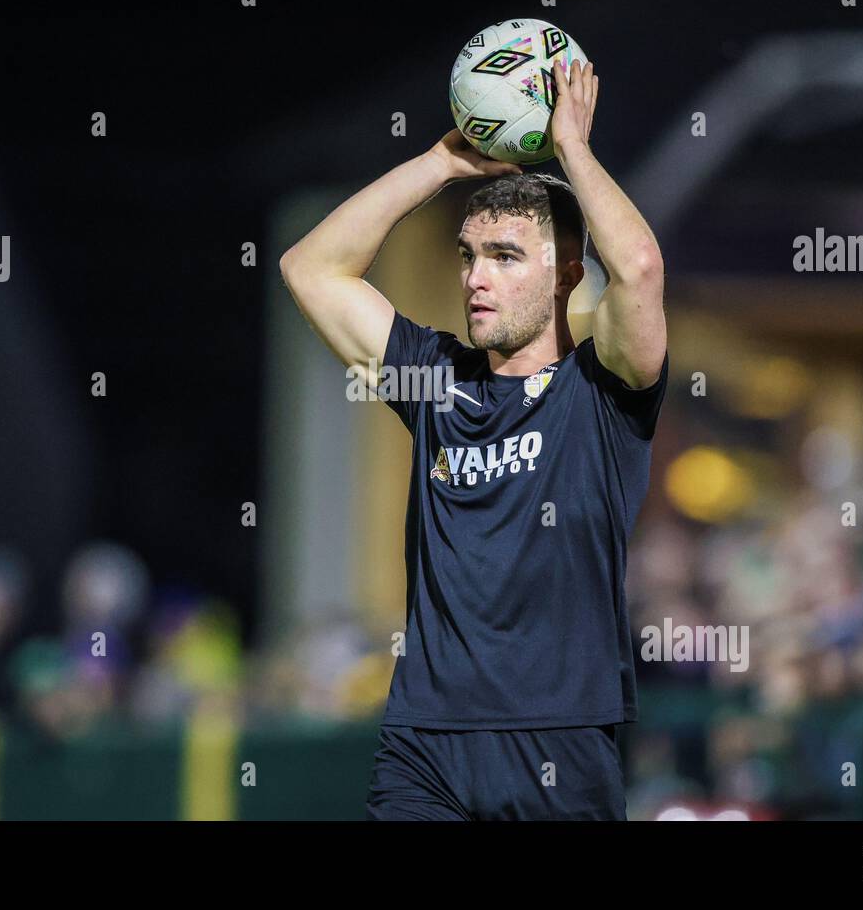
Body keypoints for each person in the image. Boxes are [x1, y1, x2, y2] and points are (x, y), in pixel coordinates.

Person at [281, 59, 668, 819]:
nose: (476, 279)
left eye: (505, 256)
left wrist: (574, 152)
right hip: (423, 742)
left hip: (556, 742)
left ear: (565, 276)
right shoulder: (434, 380)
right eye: (469, 255)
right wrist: (438, 164)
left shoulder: (602, 389)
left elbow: (642, 269)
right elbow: (311, 269)